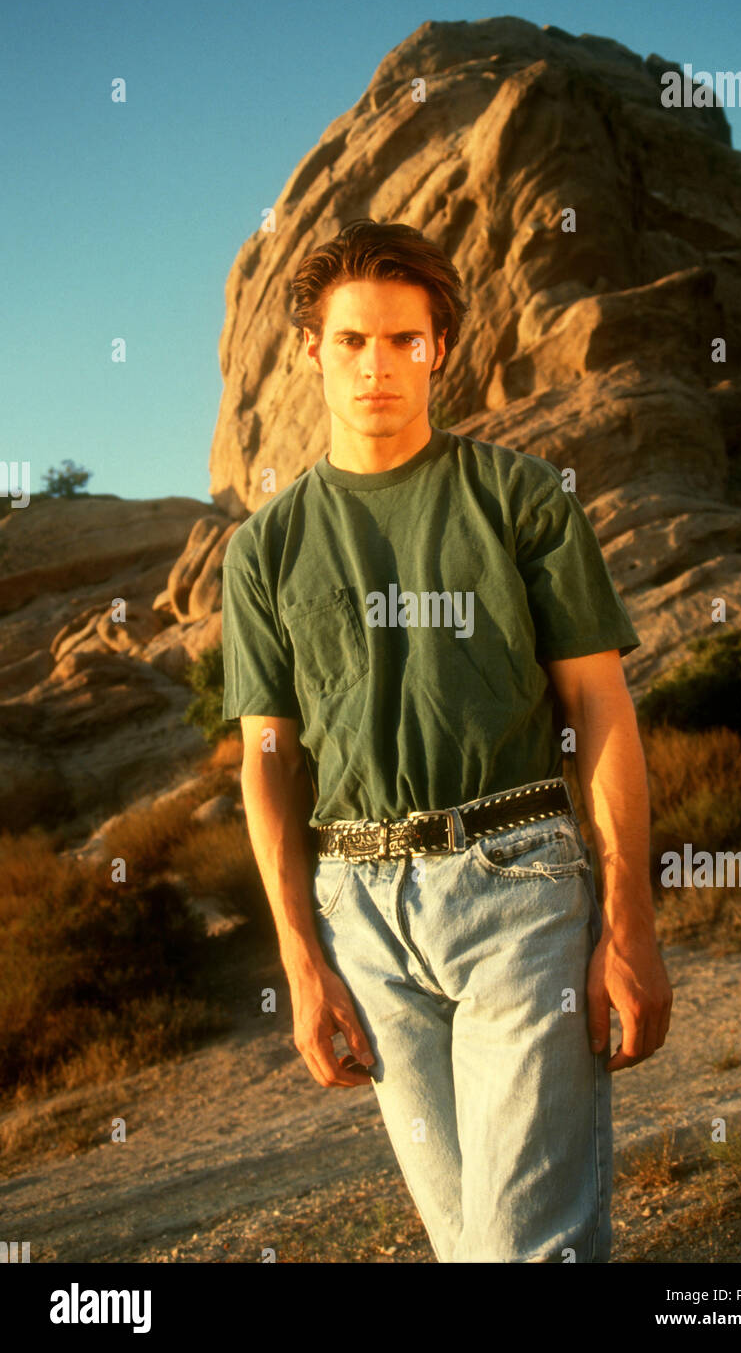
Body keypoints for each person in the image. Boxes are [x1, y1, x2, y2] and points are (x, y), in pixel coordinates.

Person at [221, 217, 673, 1263]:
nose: (376, 365)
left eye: (403, 340)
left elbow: (602, 708)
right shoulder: (265, 549)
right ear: (310, 352)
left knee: (530, 1249)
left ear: (440, 349)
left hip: (518, 885)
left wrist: (631, 920)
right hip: (361, 922)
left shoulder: (520, 501)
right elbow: (267, 762)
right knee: (472, 1249)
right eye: (350, 342)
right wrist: (300, 959)